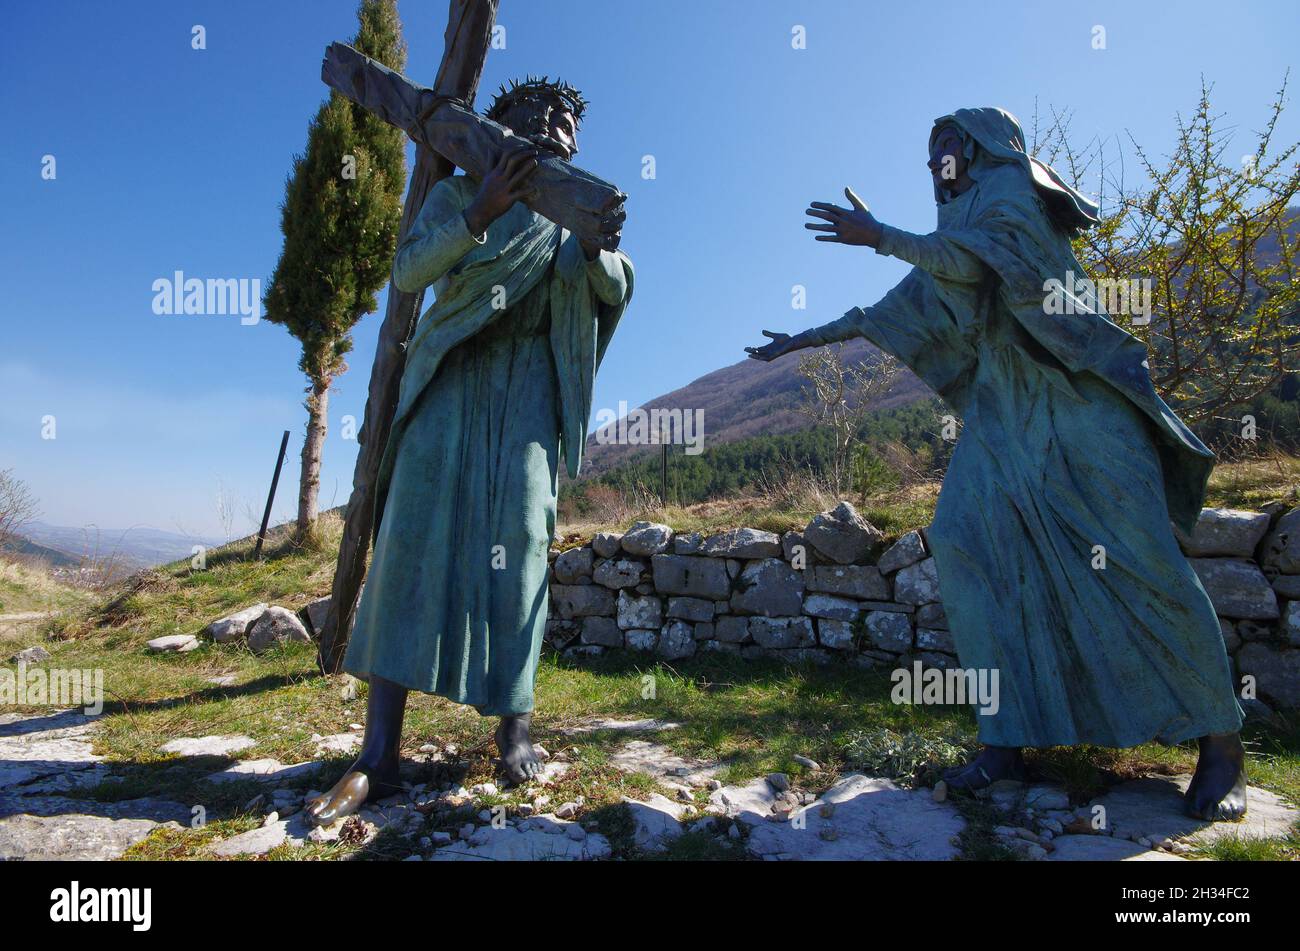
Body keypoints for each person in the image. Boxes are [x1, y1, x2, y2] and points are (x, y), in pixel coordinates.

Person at [746, 107, 1246, 820]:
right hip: (1002, 416)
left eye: (946, 145)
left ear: (982, 148)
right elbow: (882, 311)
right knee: (965, 540)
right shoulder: (949, 233)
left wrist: (883, 236)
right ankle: (1005, 738)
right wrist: (796, 341)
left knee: (1141, 557)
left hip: (1077, 401)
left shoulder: (1012, 197)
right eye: (928, 152)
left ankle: (1223, 744)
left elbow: (977, 261)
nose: (934, 160)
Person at [308, 78, 632, 825]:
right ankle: (379, 752)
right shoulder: (455, 195)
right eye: (538, 114)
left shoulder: (576, 211)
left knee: (519, 546)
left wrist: (592, 246)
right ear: (498, 125)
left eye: (567, 120)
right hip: (453, 381)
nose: (555, 127)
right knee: (412, 541)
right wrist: (481, 211)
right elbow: (409, 270)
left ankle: (514, 728)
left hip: (526, 398)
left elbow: (617, 282)